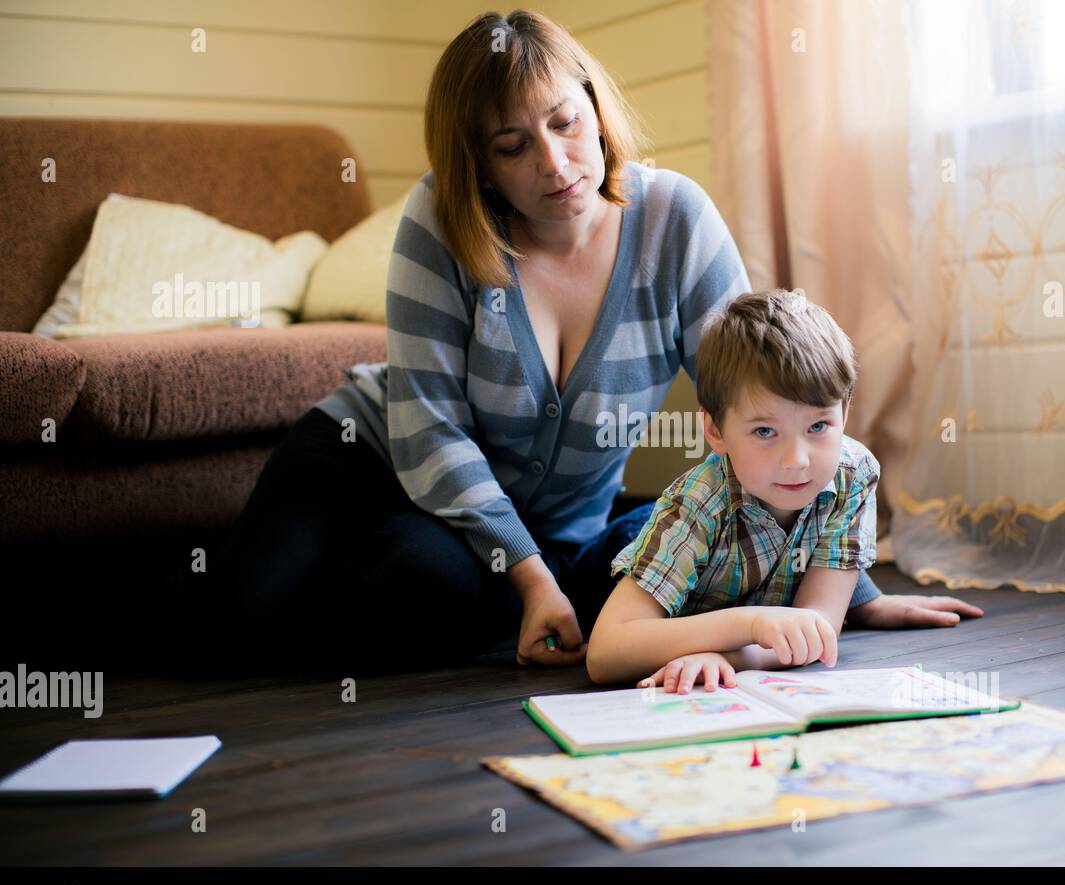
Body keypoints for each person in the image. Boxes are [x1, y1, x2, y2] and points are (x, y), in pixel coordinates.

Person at [165, 10, 976, 668]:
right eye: (513, 145)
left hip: (524, 532)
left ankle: (446, 583)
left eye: (566, 123)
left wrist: (851, 589)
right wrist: (530, 582)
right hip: (371, 457)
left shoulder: (674, 221)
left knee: (434, 586)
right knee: (230, 633)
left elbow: (762, 403)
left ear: (596, 108)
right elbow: (429, 428)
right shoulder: (437, 222)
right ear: (478, 165)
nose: (555, 162)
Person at [588, 290, 883, 689]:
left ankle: (867, 600)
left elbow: (813, 631)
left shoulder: (855, 473)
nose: (797, 460)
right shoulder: (695, 504)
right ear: (715, 431)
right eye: (765, 431)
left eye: (818, 426)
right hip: (621, 549)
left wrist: (725, 657)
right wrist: (752, 623)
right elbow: (605, 653)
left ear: (844, 413)